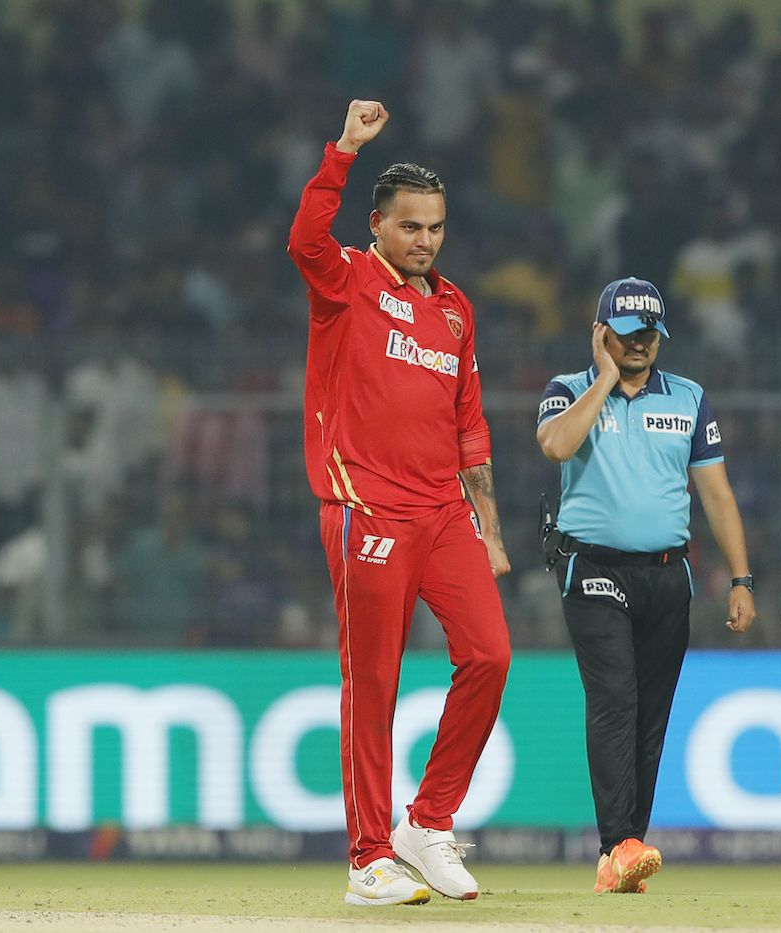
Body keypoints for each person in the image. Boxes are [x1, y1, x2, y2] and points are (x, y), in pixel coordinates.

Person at [286, 99, 511, 907]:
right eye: (410, 227)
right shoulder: (344, 280)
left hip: (445, 512)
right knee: (373, 681)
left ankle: (429, 820)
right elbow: (303, 239)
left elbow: (469, 421)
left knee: (490, 655)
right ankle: (368, 857)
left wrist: (488, 528)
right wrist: (343, 150)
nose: (424, 241)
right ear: (378, 226)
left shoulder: (454, 309)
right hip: (366, 509)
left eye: (436, 228)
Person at [535, 277, 757, 894]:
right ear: (601, 333)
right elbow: (555, 446)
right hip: (594, 569)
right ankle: (617, 844)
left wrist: (740, 578)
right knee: (615, 700)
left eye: (649, 335)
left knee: (650, 716)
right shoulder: (568, 391)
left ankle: (625, 849)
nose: (640, 346)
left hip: (667, 575)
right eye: (628, 335)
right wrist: (604, 379)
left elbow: (716, 493)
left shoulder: (688, 398)